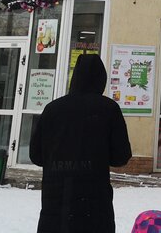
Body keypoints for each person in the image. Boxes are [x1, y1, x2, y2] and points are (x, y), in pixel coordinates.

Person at [30, 54, 132, 233]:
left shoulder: (52, 109)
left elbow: (36, 156)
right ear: (101, 80)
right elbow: (120, 156)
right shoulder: (109, 109)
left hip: (56, 204)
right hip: (94, 207)